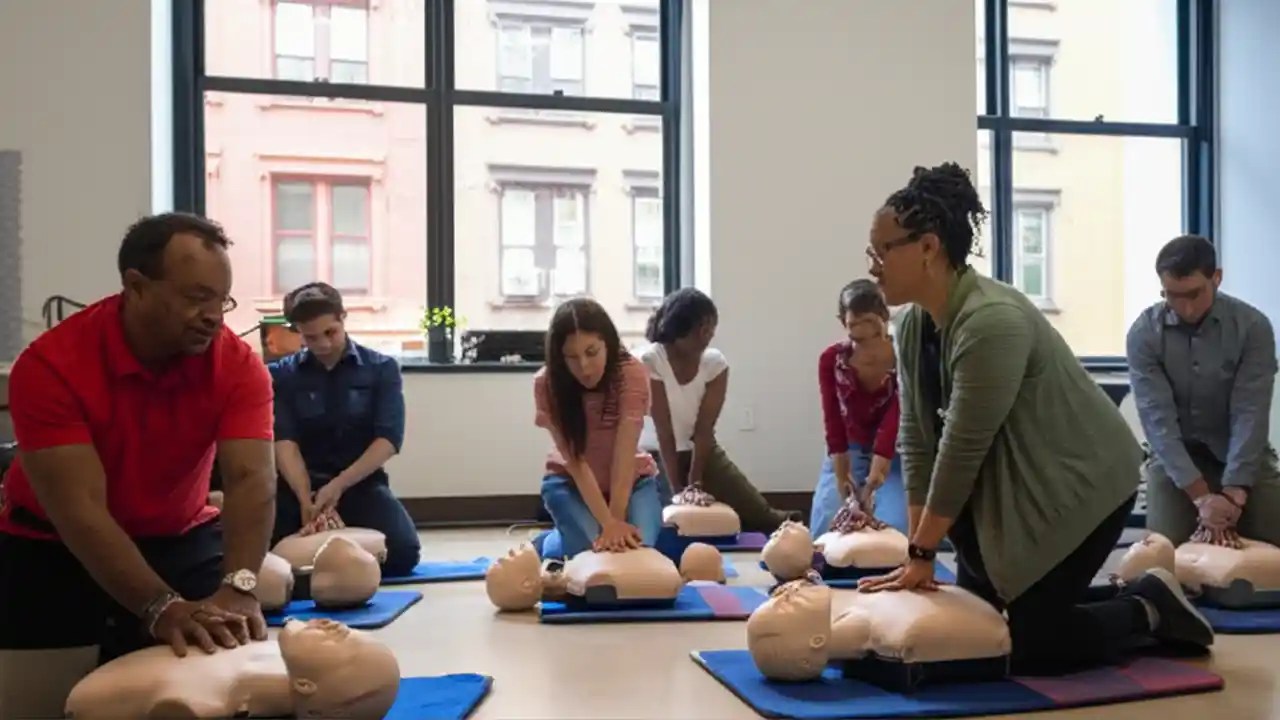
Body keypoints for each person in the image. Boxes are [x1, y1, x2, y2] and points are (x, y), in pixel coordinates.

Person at [855, 163, 1215, 676]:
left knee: (1026, 644)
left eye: (881, 250)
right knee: (980, 628)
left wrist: (922, 549)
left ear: (928, 247)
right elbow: (917, 440)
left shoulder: (991, 321)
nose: (873, 264)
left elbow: (961, 449)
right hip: (1017, 491)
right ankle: (1122, 595)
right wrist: (920, 556)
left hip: (1082, 485)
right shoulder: (913, 325)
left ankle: (1149, 609)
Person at [0, 213, 276, 719]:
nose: (214, 315)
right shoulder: (50, 367)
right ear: (136, 287)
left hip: (176, 536)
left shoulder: (235, 365)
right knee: (36, 704)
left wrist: (239, 585)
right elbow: (80, 511)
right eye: (197, 297)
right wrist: (157, 607)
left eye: (222, 299)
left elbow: (250, 478)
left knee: (221, 677)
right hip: (50, 544)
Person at [1127, 235, 1280, 548]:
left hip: (1240, 453)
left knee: (1271, 546)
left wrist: (1234, 494)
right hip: (1176, 457)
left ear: (1217, 278)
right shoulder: (1144, 333)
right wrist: (1201, 498)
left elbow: (1249, 413)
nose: (1185, 307)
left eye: (1194, 294)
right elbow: (1159, 423)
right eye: (1172, 296)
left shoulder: (1253, 327)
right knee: (1163, 554)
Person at [268, 283, 421, 577]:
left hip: (359, 483)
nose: (323, 344)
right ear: (297, 331)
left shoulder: (381, 368)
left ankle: (338, 569)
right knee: (262, 552)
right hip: (299, 487)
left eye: (330, 333)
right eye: (311, 337)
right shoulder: (281, 375)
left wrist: (338, 485)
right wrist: (305, 498)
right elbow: (285, 442)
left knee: (403, 553)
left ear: (343, 318)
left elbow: (387, 439)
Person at [639, 288, 790, 532]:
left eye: (711, 327)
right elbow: (663, 431)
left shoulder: (715, 365)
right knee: (673, 521)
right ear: (679, 329)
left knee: (762, 515)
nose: (707, 334)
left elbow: (704, 429)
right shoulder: (651, 361)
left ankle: (796, 530)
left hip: (699, 449)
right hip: (654, 454)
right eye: (701, 327)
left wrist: (695, 482)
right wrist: (679, 492)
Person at [535, 298, 663, 558]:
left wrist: (614, 524)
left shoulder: (631, 373)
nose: (583, 366)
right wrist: (609, 526)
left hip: (631, 480)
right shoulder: (547, 384)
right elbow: (576, 463)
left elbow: (625, 453)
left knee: (637, 551)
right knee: (591, 553)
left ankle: (572, 534)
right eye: (571, 357)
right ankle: (551, 543)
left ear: (608, 343)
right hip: (569, 483)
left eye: (592, 352)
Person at [811, 280, 907, 535]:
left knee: (895, 530)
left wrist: (877, 475)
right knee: (826, 530)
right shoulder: (831, 360)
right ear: (844, 323)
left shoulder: (905, 356)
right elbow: (833, 421)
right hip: (850, 447)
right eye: (857, 335)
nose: (868, 347)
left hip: (895, 452)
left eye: (874, 334)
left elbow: (895, 417)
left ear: (884, 319)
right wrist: (843, 475)